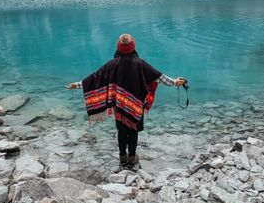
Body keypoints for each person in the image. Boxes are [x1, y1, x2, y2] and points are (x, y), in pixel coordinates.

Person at [66, 33, 185, 169]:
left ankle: (122, 158)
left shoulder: (112, 64)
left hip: (119, 105)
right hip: (135, 106)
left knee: (122, 131)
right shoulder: (140, 64)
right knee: (133, 131)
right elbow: (158, 77)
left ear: (119, 47)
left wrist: (78, 84)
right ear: (133, 47)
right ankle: (132, 158)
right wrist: (174, 82)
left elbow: (95, 78)